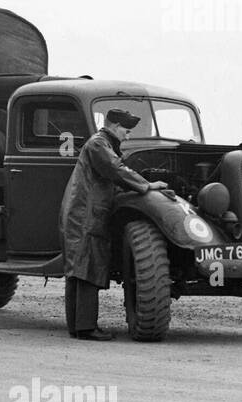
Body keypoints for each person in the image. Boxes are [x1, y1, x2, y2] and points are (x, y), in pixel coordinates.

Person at [59, 108, 168, 340]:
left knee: (78, 271)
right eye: (126, 131)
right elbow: (116, 170)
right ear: (114, 126)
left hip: (82, 215)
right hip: (87, 217)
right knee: (87, 269)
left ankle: (78, 328)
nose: (127, 136)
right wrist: (147, 185)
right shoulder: (99, 144)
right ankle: (87, 328)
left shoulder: (98, 144)